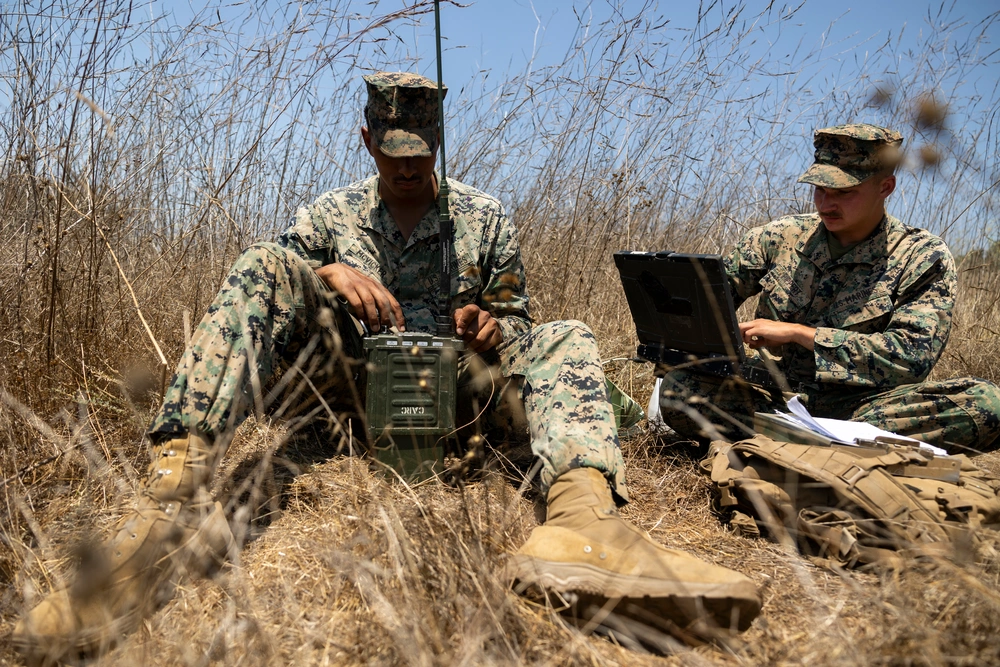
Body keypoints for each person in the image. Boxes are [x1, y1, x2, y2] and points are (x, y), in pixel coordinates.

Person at [14, 72, 760, 664]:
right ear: (367, 141)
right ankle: (164, 511)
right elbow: (272, 283)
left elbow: (523, 322)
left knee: (567, 334)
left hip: (461, 402)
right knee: (263, 262)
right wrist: (329, 273)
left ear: (439, 144)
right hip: (352, 396)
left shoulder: (484, 217)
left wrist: (495, 327)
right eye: (394, 155)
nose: (409, 170)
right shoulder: (331, 216)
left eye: (422, 156)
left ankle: (586, 526)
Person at [657, 123, 1000, 454]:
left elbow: (910, 358)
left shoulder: (922, 256)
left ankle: (789, 442)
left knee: (988, 404)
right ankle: (819, 446)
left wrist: (800, 334)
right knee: (677, 390)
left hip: (863, 411)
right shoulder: (778, 237)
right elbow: (707, 304)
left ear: (886, 187)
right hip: (770, 396)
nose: (826, 204)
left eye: (844, 193)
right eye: (820, 189)